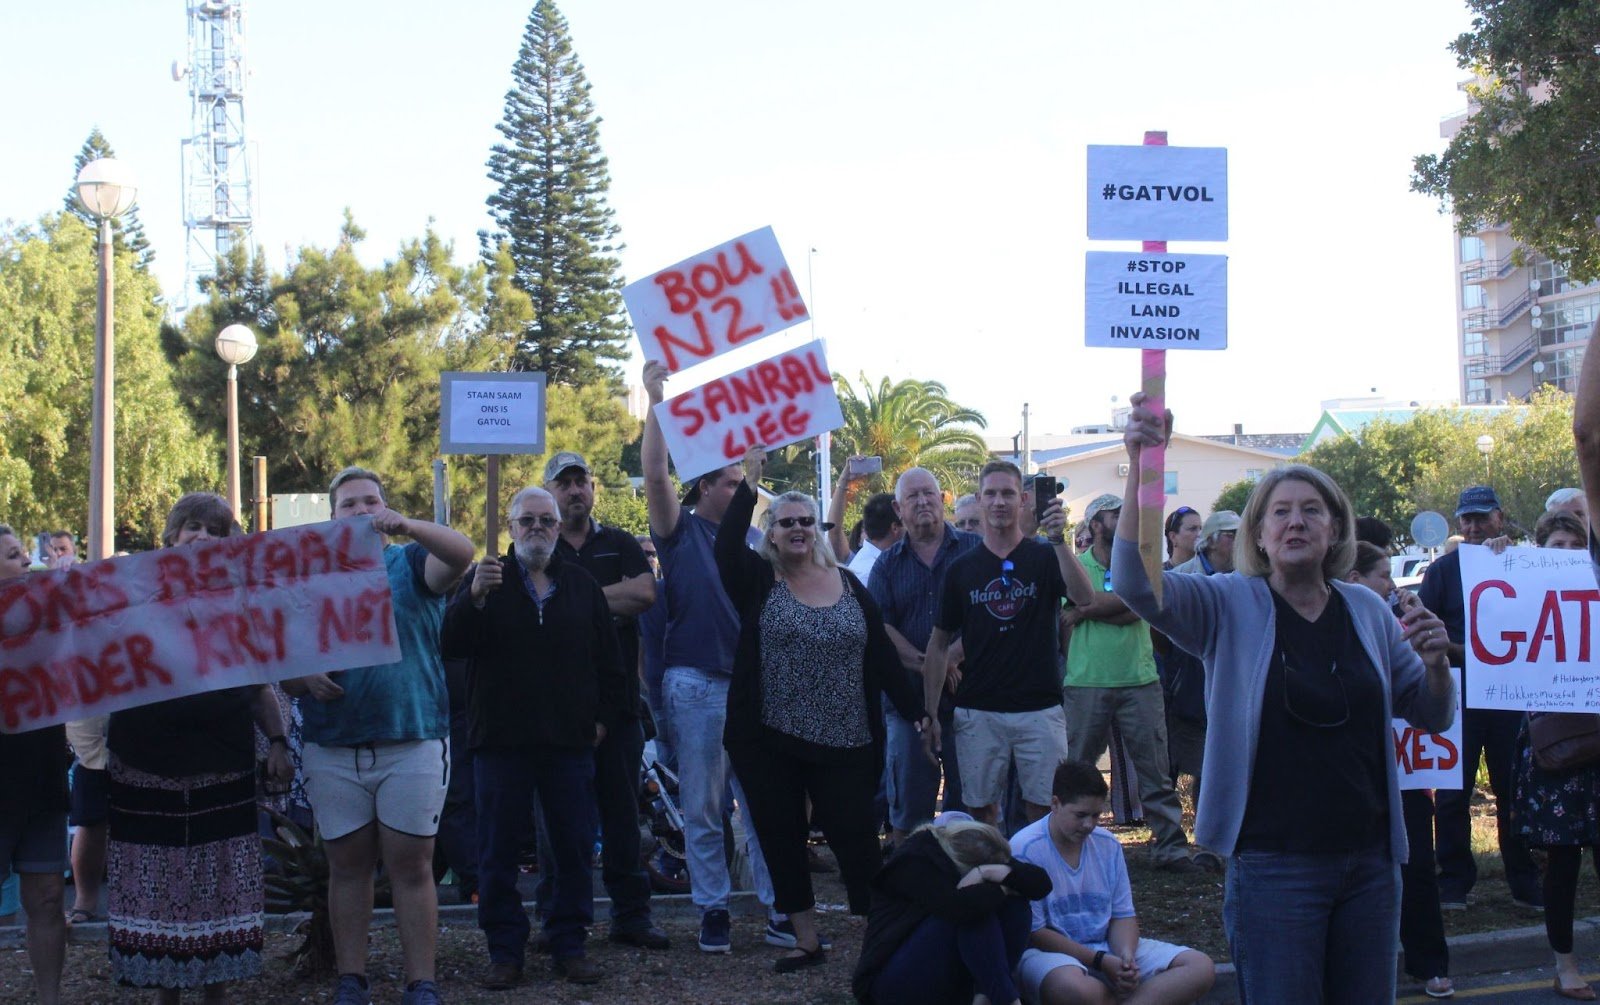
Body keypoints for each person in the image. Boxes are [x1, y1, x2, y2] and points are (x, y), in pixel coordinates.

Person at [1110, 392, 1457, 1001]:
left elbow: (1430, 714)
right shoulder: (1226, 603)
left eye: (1311, 511)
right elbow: (1137, 582)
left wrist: (1436, 667)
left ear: (1335, 530)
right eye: (1280, 513)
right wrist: (1146, 460)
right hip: (1274, 866)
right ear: (1260, 535)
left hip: (1371, 863)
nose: (1296, 521)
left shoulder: (1369, 609)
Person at [716, 446, 927, 972]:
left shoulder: (850, 584)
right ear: (771, 532)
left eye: (806, 521)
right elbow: (723, 548)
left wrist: (918, 711)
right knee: (781, 838)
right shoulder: (759, 580)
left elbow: (879, 653)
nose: (798, 529)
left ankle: (879, 933)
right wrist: (749, 480)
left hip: (846, 738)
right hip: (771, 740)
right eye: (786, 522)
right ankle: (806, 939)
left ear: (817, 527)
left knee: (856, 839)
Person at [286, 466, 474, 1005]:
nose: (362, 510)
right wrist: (302, 677)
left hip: (411, 737)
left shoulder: (411, 563)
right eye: (350, 504)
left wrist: (411, 525)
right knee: (348, 868)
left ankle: (422, 982)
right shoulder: (309, 581)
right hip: (334, 744)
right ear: (332, 516)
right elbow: (282, 664)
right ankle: (353, 979)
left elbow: (460, 554)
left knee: (412, 866)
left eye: (372, 501)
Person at [105, 493, 294, 1003]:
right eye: (191, 527)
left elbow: (258, 682)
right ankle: (165, 993)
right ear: (170, 537)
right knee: (157, 887)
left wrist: (277, 741)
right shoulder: (128, 595)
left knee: (219, 885)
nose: (201, 537)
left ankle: (216, 994)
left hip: (221, 766)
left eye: (215, 529)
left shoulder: (243, 605)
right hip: (143, 768)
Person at [442, 486, 627, 987]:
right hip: (501, 742)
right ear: (510, 527)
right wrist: (474, 599)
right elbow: (452, 645)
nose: (538, 529)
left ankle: (569, 942)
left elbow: (611, 663)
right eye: (528, 521)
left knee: (571, 848)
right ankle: (505, 950)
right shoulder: (486, 581)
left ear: (558, 527)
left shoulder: (582, 585)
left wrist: (603, 719)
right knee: (497, 853)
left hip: (569, 743)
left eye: (547, 520)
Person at [640, 360, 778, 954]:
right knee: (702, 805)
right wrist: (654, 400)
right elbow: (653, 474)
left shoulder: (757, 545)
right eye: (732, 481)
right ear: (704, 487)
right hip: (694, 684)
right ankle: (713, 909)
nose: (743, 489)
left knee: (763, 805)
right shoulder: (680, 534)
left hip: (752, 688)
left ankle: (780, 908)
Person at [538, 451, 668, 951]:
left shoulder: (617, 542)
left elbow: (644, 594)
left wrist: (570, 601)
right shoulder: (535, 545)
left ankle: (631, 917)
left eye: (581, 482)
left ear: (593, 489)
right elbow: (533, 606)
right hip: (557, 708)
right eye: (564, 483)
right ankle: (558, 920)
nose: (574, 491)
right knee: (557, 824)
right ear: (549, 491)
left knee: (622, 817)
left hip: (619, 705)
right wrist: (603, 603)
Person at [922, 461, 1095, 828]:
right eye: (991, 494)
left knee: (1042, 812)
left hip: (1039, 708)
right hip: (978, 709)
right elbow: (938, 645)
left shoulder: (1046, 556)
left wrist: (1058, 539)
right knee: (982, 812)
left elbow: (1084, 598)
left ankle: (1033, 883)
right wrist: (931, 712)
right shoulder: (962, 569)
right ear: (980, 500)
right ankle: (994, 881)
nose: (999, 502)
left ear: (1024, 500)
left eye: (1007, 494)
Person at [1417, 485, 1543, 910]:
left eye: (1482, 517)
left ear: (1500, 518)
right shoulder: (1440, 573)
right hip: (1459, 696)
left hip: (1509, 697)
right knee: (1453, 792)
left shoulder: (1518, 562)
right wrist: (1463, 654)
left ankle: (1524, 879)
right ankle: (1454, 880)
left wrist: (1510, 558)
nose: (1473, 527)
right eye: (1466, 519)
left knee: (1513, 791)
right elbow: (1424, 632)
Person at [1061, 494, 1197, 873]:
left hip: (1140, 680)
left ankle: (1170, 847)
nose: (1123, 519)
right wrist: (1118, 605)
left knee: (1155, 770)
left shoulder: (1140, 565)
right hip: (1087, 681)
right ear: (1094, 524)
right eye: (1113, 514)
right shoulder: (1075, 566)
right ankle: (1072, 845)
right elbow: (1086, 606)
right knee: (1077, 770)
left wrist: (1086, 610)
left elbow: (1140, 607)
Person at [1010, 761, 1214, 1005]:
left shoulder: (1107, 844)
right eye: (1080, 815)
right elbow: (1036, 933)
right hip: (1052, 956)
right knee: (1073, 989)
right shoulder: (1026, 848)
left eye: (1095, 815)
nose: (1089, 824)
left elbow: (1122, 915)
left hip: (1106, 946)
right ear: (1055, 804)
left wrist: (1126, 957)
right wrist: (1099, 961)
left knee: (1200, 966)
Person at [1345, 541, 1453, 999]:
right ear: (1353, 580)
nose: (1391, 584)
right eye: (1383, 575)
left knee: (1418, 865)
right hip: (1354, 777)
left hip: (1405, 772)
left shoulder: (1404, 626)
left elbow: (1430, 700)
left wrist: (1432, 653)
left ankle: (1428, 962)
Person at [1508, 508, 1596, 999]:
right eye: (1555, 548)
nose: (1564, 556)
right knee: (1561, 866)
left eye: (1573, 547)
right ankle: (1565, 966)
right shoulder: (1522, 592)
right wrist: (1498, 561)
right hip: (1555, 751)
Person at [869, 467, 980, 845]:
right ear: (898, 510)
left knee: (969, 803)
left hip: (969, 696)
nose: (922, 502)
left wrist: (949, 657)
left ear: (943, 499)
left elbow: (985, 616)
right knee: (908, 807)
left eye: (929, 494)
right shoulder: (887, 564)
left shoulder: (973, 551)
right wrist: (929, 663)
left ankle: (967, 884)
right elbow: (880, 627)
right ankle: (910, 884)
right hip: (907, 703)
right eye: (912, 497)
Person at [852, 812, 1051, 1005]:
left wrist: (992, 873)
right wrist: (1002, 886)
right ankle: (1006, 999)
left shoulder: (976, 851)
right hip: (890, 979)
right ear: (961, 864)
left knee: (1016, 905)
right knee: (975, 913)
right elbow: (959, 908)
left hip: (942, 972)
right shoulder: (914, 861)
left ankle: (986, 995)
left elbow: (1040, 883)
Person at [0, 522, 68, 1005]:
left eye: (24, 554)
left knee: (46, 896)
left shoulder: (51, 618)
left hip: (42, 772)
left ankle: (49, 998)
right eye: (13, 556)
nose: (27, 562)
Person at [1158, 511, 1238, 818]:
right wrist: (1175, 670)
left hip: (1226, 682)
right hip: (1183, 683)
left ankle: (1209, 830)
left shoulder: (1247, 576)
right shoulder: (1184, 576)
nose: (1239, 542)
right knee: (1171, 761)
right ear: (1214, 541)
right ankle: (1169, 832)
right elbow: (1160, 632)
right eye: (1232, 535)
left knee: (1214, 763)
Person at [1170, 511, 1238, 577]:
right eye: (1232, 535)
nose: (1239, 541)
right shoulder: (1179, 577)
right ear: (1211, 542)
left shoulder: (1245, 573)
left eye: (1243, 535)